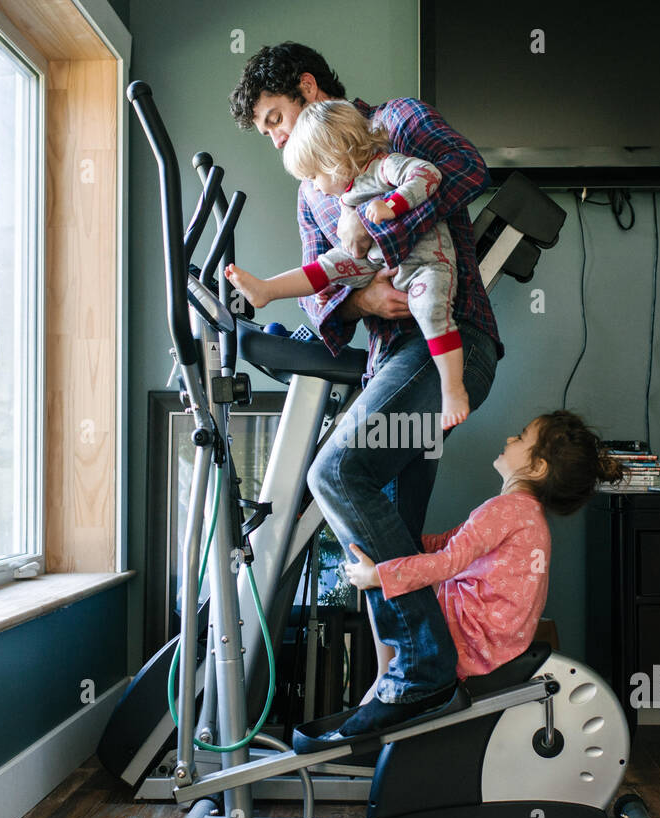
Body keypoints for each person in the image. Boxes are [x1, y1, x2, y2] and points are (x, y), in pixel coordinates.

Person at [230, 43, 502, 736]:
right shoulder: (309, 189)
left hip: (450, 343)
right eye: (267, 133)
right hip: (391, 359)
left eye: (276, 117)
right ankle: (403, 699)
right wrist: (364, 298)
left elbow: (468, 168)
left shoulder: (399, 123)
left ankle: (423, 669)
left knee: (338, 470)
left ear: (309, 86)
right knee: (385, 523)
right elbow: (326, 300)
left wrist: (379, 230)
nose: (277, 136)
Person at [343, 411, 625, 699]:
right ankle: (382, 678)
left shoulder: (505, 509)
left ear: (538, 467)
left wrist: (378, 575)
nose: (510, 438)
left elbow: (448, 562)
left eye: (522, 437)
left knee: (392, 582)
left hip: (470, 641)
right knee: (407, 572)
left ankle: (382, 679)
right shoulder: (528, 515)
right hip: (497, 645)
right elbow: (448, 541)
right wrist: (399, 544)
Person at [224, 99, 469, 429]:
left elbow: (428, 173)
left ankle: (453, 389)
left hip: (428, 262)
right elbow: (340, 258)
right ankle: (266, 290)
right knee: (327, 265)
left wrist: (391, 207)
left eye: (314, 176)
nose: (314, 186)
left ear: (335, 161)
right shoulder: (343, 193)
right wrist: (337, 292)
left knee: (431, 310)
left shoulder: (383, 166)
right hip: (375, 263)